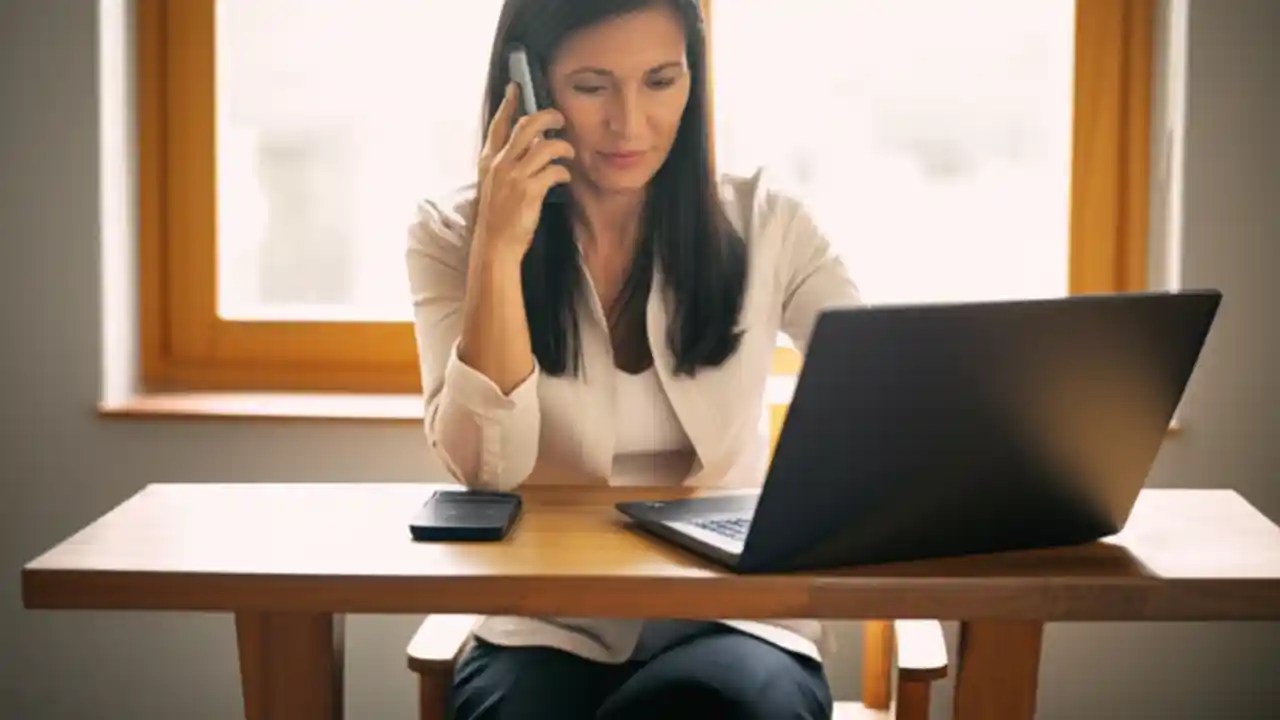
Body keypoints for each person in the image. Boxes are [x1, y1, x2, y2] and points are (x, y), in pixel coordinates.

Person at [406, 0, 860, 717]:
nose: (631, 123)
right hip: (546, 624)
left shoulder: (770, 225)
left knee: (716, 704)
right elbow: (486, 468)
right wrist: (499, 250)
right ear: (526, 87)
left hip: (738, 620)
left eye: (660, 80)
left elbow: (881, 386)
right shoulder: (451, 236)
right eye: (592, 87)